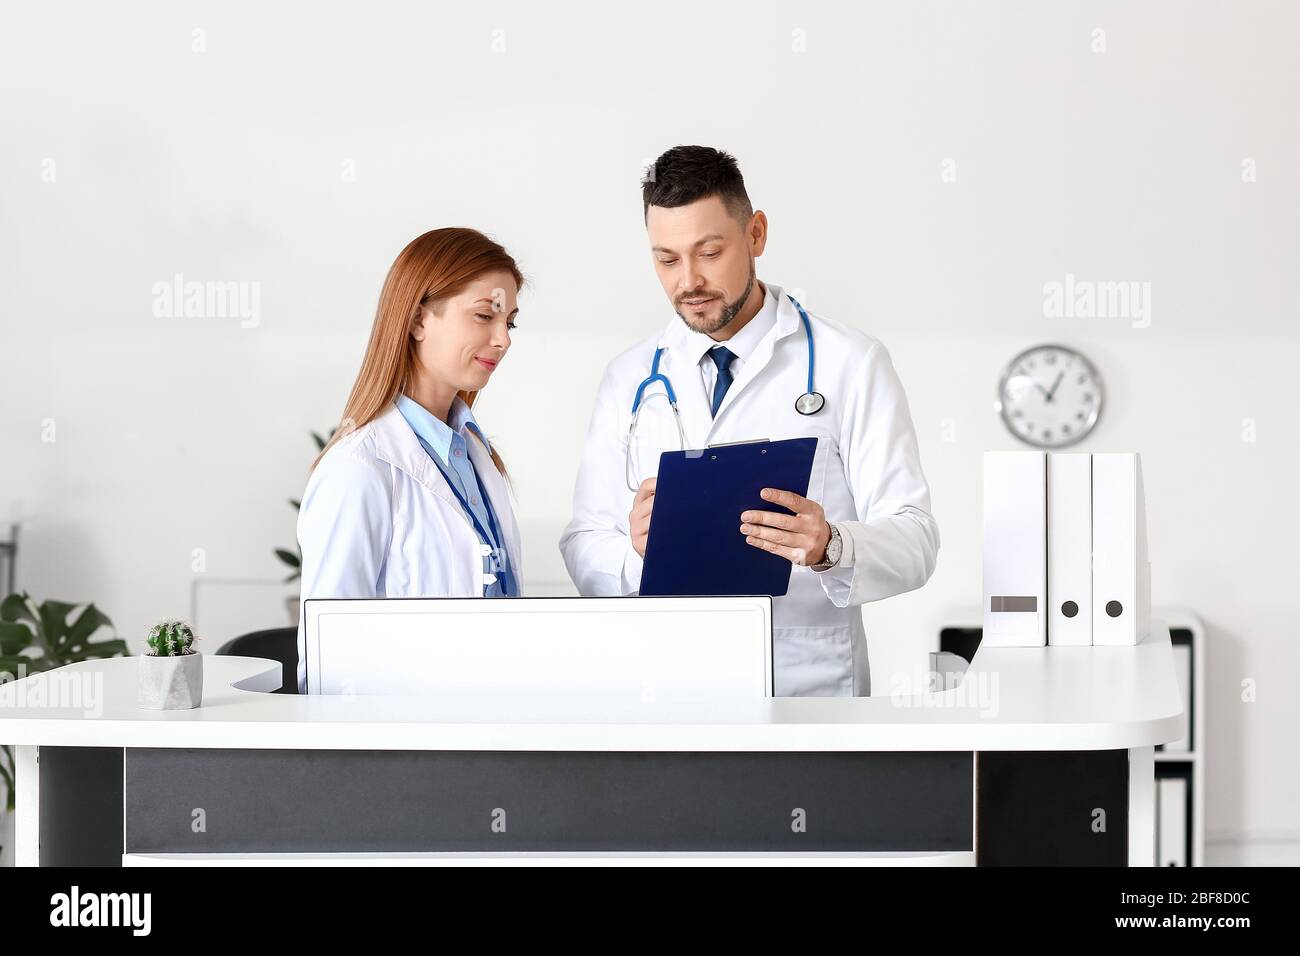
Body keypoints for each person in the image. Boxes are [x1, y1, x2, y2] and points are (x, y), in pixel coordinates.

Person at [559, 146, 939, 697]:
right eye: (666, 259)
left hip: (805, 684)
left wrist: (830, 544)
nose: (688, 281)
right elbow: (583, 544)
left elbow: (916, 541)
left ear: (756, 234)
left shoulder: (850, 362)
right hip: (666, 685)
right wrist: (636, 551)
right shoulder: (630, 376)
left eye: (709, 252)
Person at [295, 227, 524, 693]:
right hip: (403, 746)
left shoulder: (476, 455)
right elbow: (329, 663)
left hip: (495, 728)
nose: (503, 340)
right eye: (484, 315)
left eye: (510, 323)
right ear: (419, 320)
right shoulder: (359, 467)